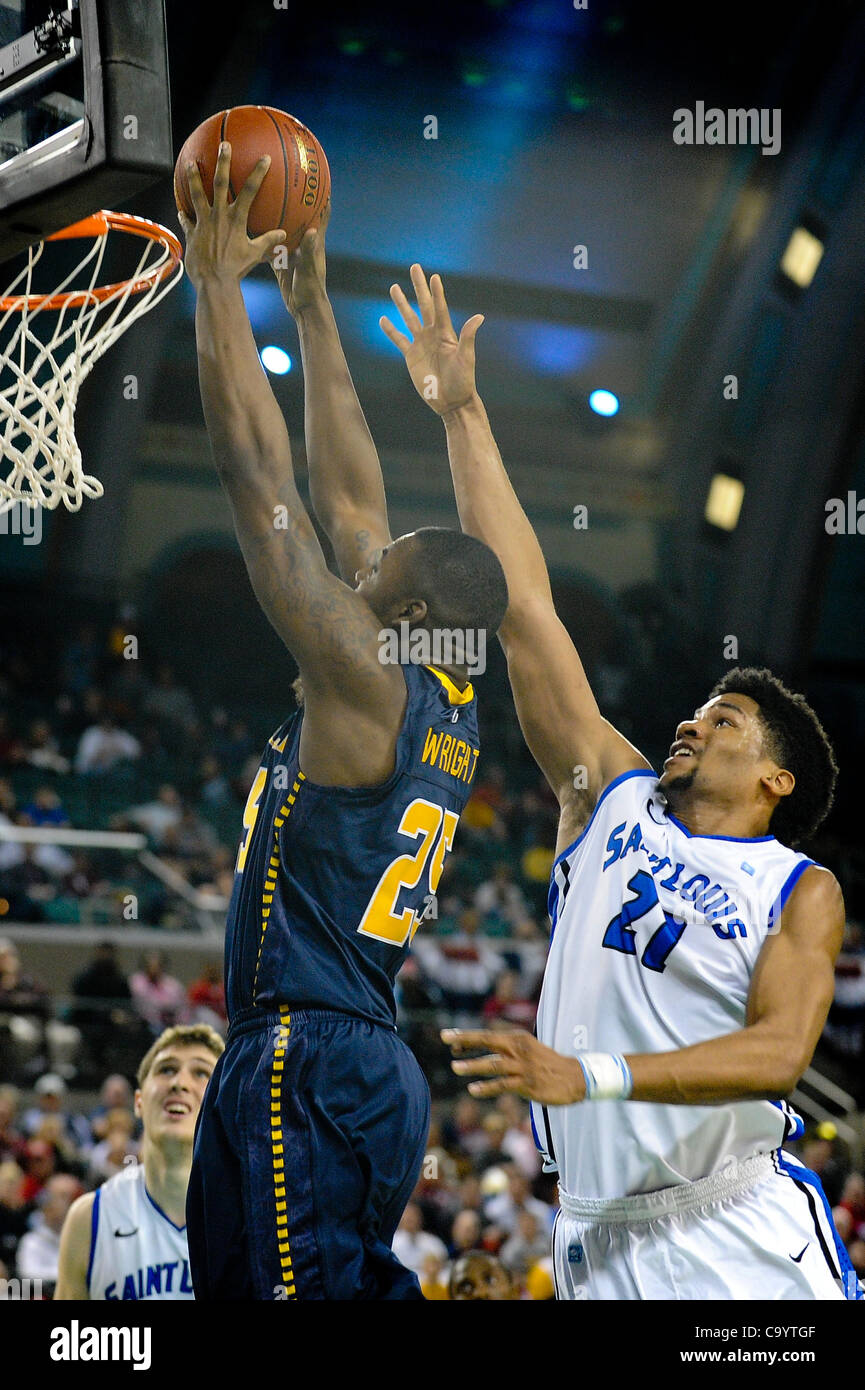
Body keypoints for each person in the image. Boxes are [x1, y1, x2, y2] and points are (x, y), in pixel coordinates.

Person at [383, 264, 862, 1302]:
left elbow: (780, 1050)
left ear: (775, 776)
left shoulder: (795, 885)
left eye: (724, 720)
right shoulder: (612, 795)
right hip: (592, 1238)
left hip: (733, 1229)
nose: (691, 721)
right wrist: (462, 411)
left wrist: (587, 1075)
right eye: (695, 710)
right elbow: (520, 608)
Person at [177, 146, 507, 1301]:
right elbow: (350, 499)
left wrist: (216, 288)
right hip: (344, 1052)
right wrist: (312, 308)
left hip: (307, 1053)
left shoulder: (370, 670)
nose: (367, 547)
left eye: (385, 563)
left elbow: (265, 494)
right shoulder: (435, 683)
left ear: (405, 606)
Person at [54, 1023, 223, 1300]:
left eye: (201, 1072)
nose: (179, 1083)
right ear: (139, 1101)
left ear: (224, 1099)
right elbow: (71, 1342)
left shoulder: (255, 1214)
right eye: (166, 1069)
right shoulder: (90, 1218)